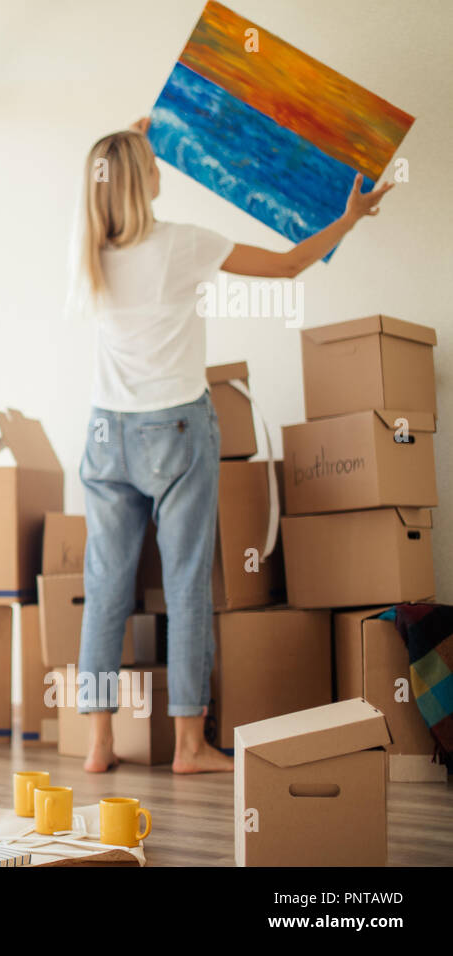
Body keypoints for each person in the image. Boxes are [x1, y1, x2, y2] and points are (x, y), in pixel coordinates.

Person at [74, 118, 392, 774]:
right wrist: (351, 217)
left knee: (106, 586)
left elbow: (104, 174)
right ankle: (190, 744)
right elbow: (288, 264)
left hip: (106, 433)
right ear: (145, 182)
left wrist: (128, 139)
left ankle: (99, 742)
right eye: (155, 161)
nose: (163, 167)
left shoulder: (85, 249)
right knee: (188, 580)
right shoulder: (182, 244)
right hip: (174, 428)